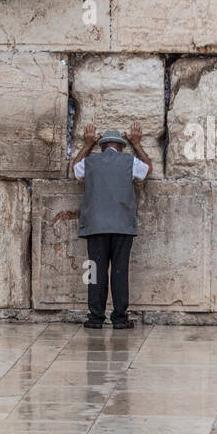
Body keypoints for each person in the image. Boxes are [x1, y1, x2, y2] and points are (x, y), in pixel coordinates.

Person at [71, 122, 151, 330]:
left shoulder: (90, 162)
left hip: (95, 226)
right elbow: (146, 169)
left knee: (94, 271)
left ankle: (95, 317)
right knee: (119, 270)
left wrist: (87, 144)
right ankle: (119, 318)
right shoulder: (129, 161)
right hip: (122, 225)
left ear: (102, 146)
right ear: (122, 146)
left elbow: (74, 169)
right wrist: (137, 143)